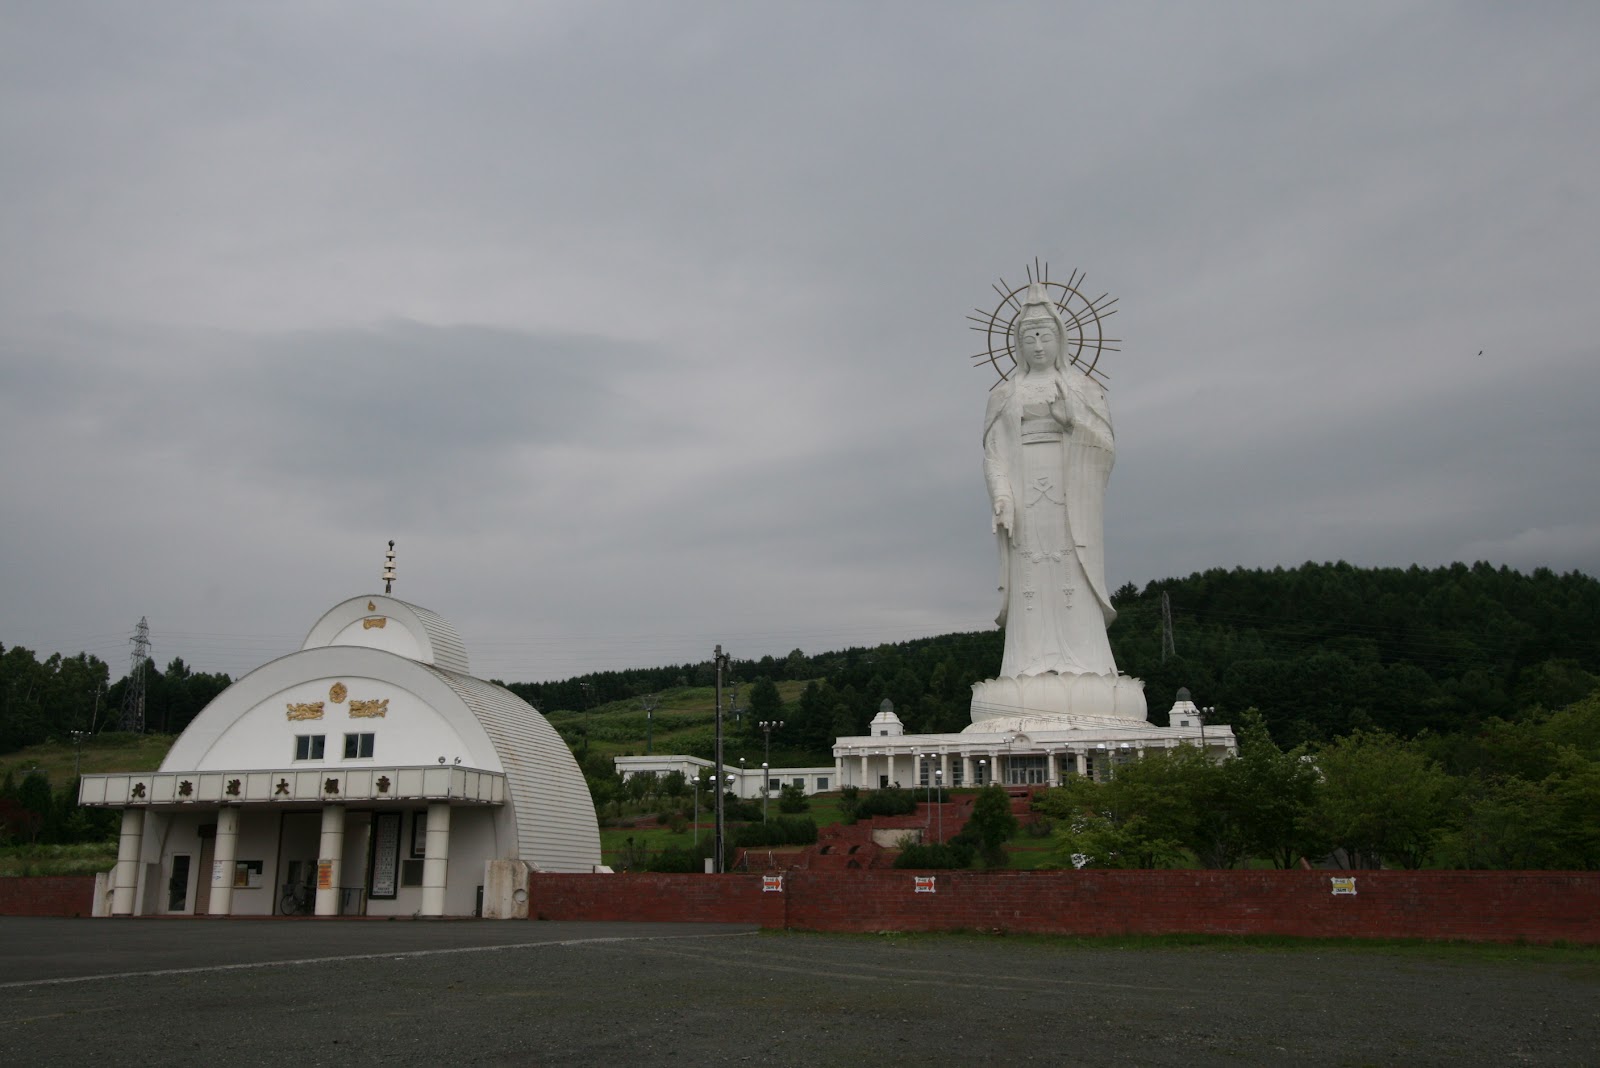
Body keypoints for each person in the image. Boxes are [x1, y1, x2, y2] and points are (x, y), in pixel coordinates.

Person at [982, 282, 1119, 680]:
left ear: (1061, 338)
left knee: (1069, 572)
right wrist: (1002, 497)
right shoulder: (1004, 394)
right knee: (1031, 576)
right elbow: (994, 453)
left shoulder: (1084, 389)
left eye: (1045, 335)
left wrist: (1072, 420)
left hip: (1070, 491)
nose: (1038, 344)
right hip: (1025, 497)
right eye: (1029, 336)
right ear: (1017, 344)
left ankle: (1088, 665)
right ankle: (1026, 666)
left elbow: (1106, 446)